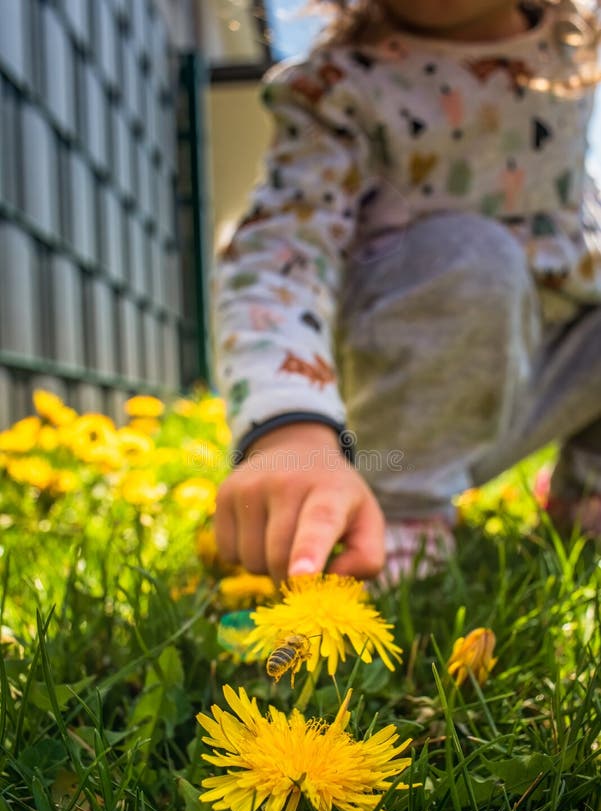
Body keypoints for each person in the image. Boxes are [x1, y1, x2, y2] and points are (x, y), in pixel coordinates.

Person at [212, 0, 601, 584]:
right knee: (474, 260)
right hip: (404, 394)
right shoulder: (343, 87)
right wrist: (291, 429)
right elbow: (282, 254)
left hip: (542, 369)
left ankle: (584, 495)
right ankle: (398, 509)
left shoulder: (572, 54)